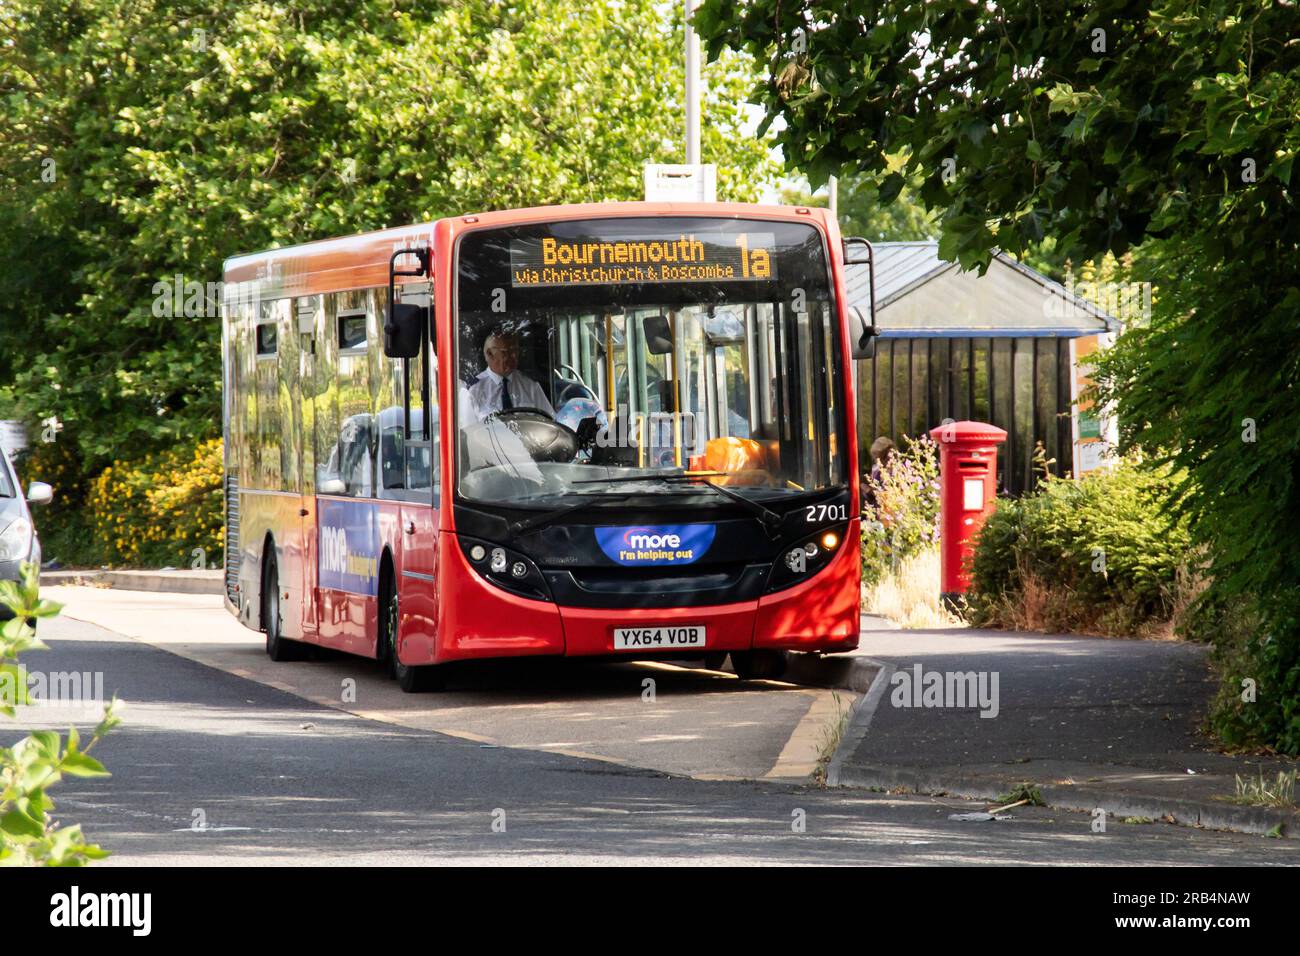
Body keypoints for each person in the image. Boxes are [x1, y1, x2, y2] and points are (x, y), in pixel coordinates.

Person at [466, 328, 555, 421]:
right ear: (490, 354)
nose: (514, 356)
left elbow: (550, 420)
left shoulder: (530, 385)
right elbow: (467, 431)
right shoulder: (474, 390)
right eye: (506, 351)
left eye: (516, 351)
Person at [862, 436, 896, 511]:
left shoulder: (896, 472)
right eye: (874, 456)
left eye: (876, 455)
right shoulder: (876, 470)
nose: (875, 459)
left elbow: (889, 496)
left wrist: (869, 490)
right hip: (876, 512)